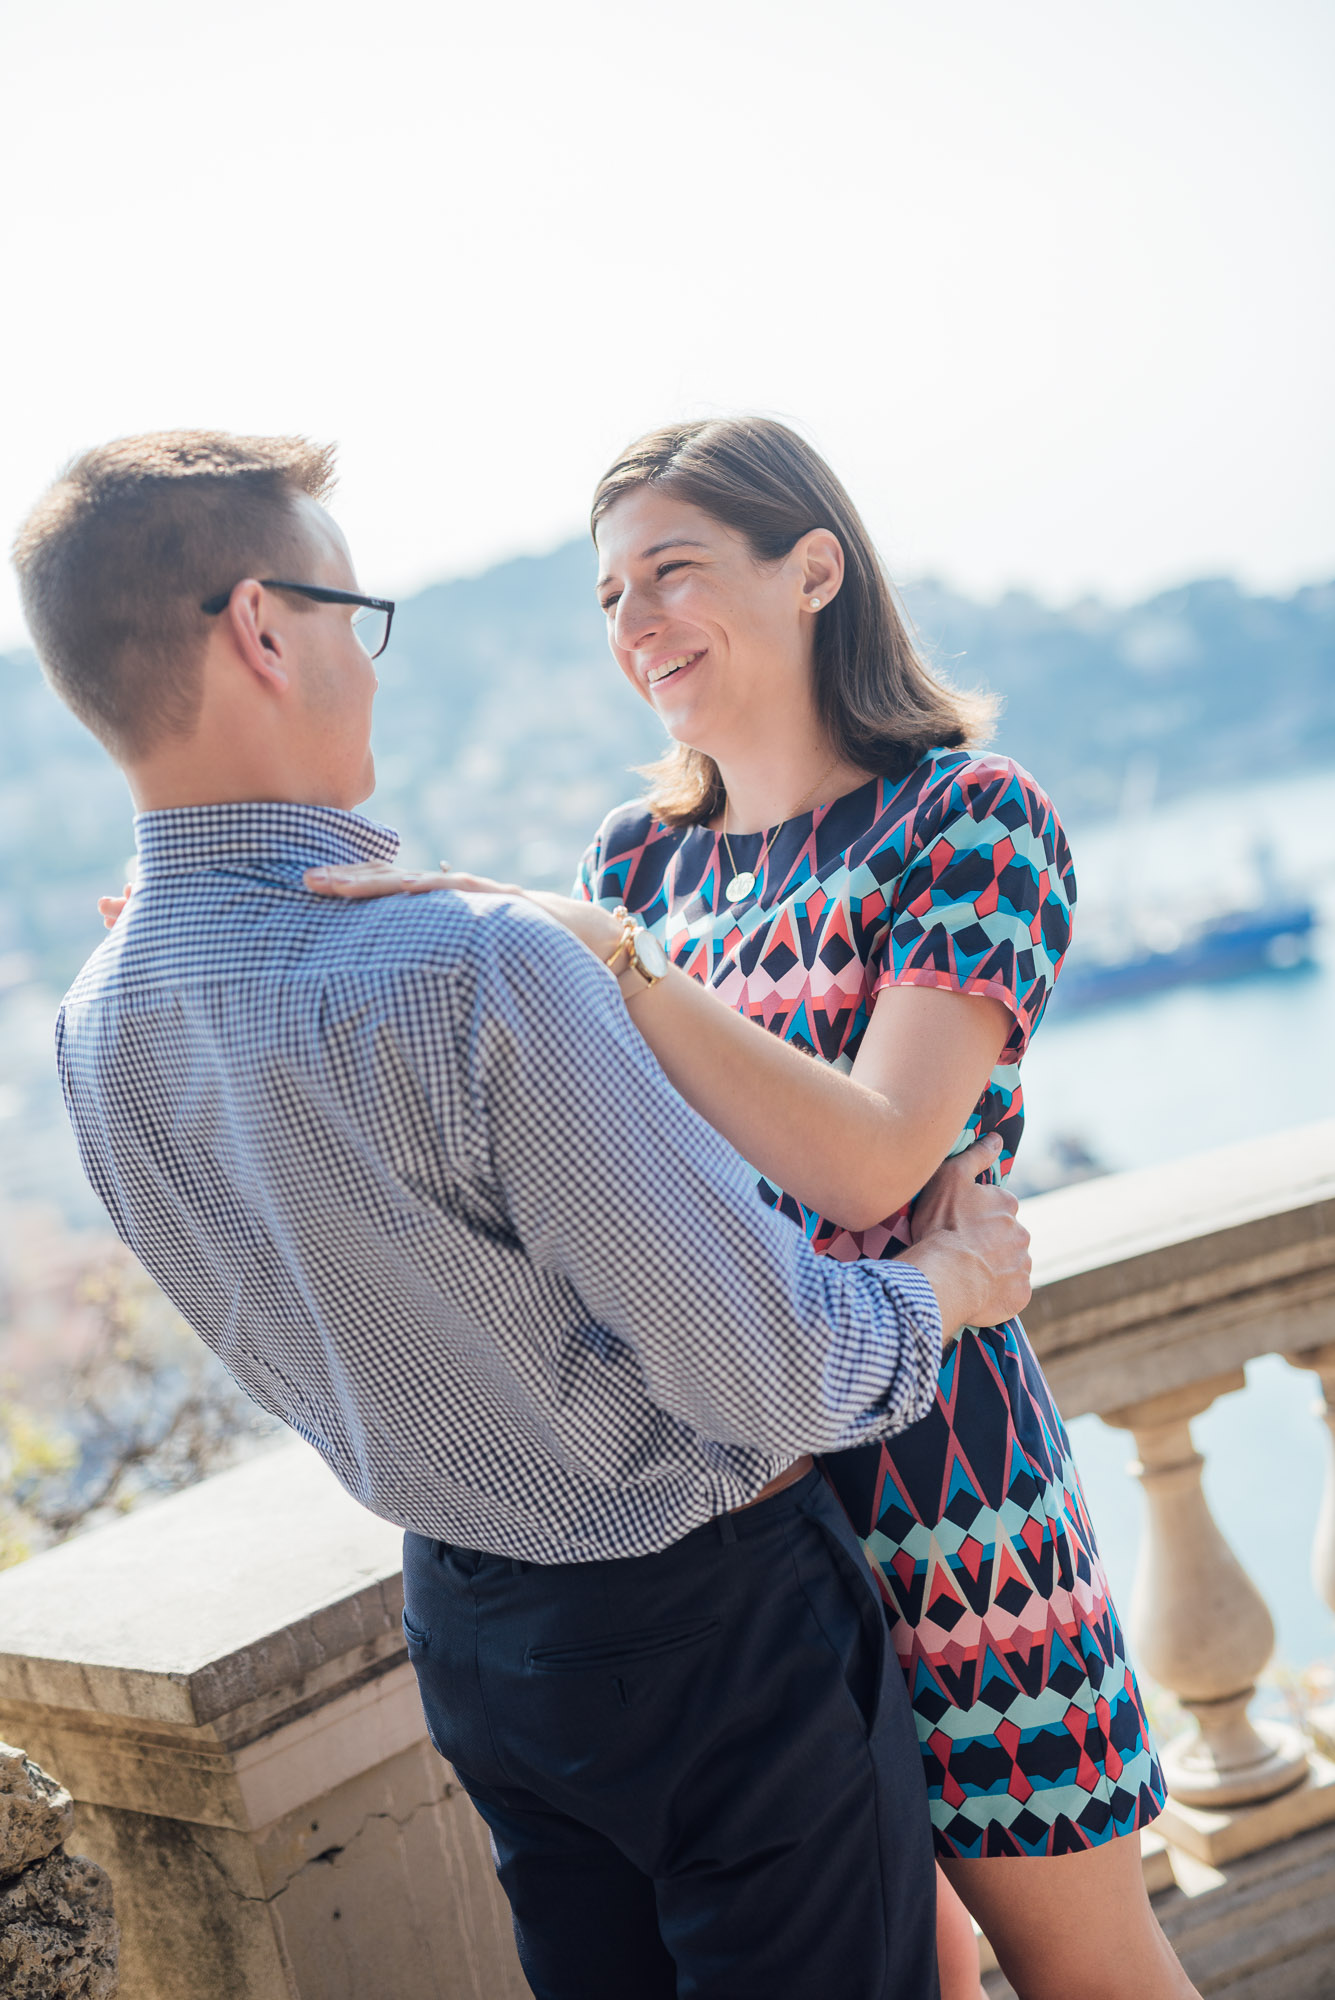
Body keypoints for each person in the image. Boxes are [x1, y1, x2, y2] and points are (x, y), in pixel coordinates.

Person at [14, 430, 1037, 2000]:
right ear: (263, 629)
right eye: (355, 614)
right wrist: (953, 1284)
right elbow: (773, 1371)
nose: (370, 662)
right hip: (708, 1627)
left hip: (473, 1633)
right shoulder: (476, 965)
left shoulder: (96, 1023)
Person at [310, 418, 1197, 2000]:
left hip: (945, 1486)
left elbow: (871, 1161)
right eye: (609, 596)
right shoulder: (635, 862)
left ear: (814, 570)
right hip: (733, 1510)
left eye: (672, 572)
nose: (636, 623)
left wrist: (606, 956)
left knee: (1084, 1966)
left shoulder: (966, 816)